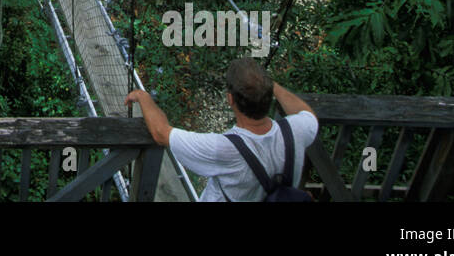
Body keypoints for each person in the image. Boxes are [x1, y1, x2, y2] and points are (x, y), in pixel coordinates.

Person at [123, 57, 319, 202]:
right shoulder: (296, 131)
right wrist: (268, 84)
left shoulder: (224, 149)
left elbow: (161, 133)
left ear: (230, 99)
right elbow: (306, 113)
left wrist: (143, 97)